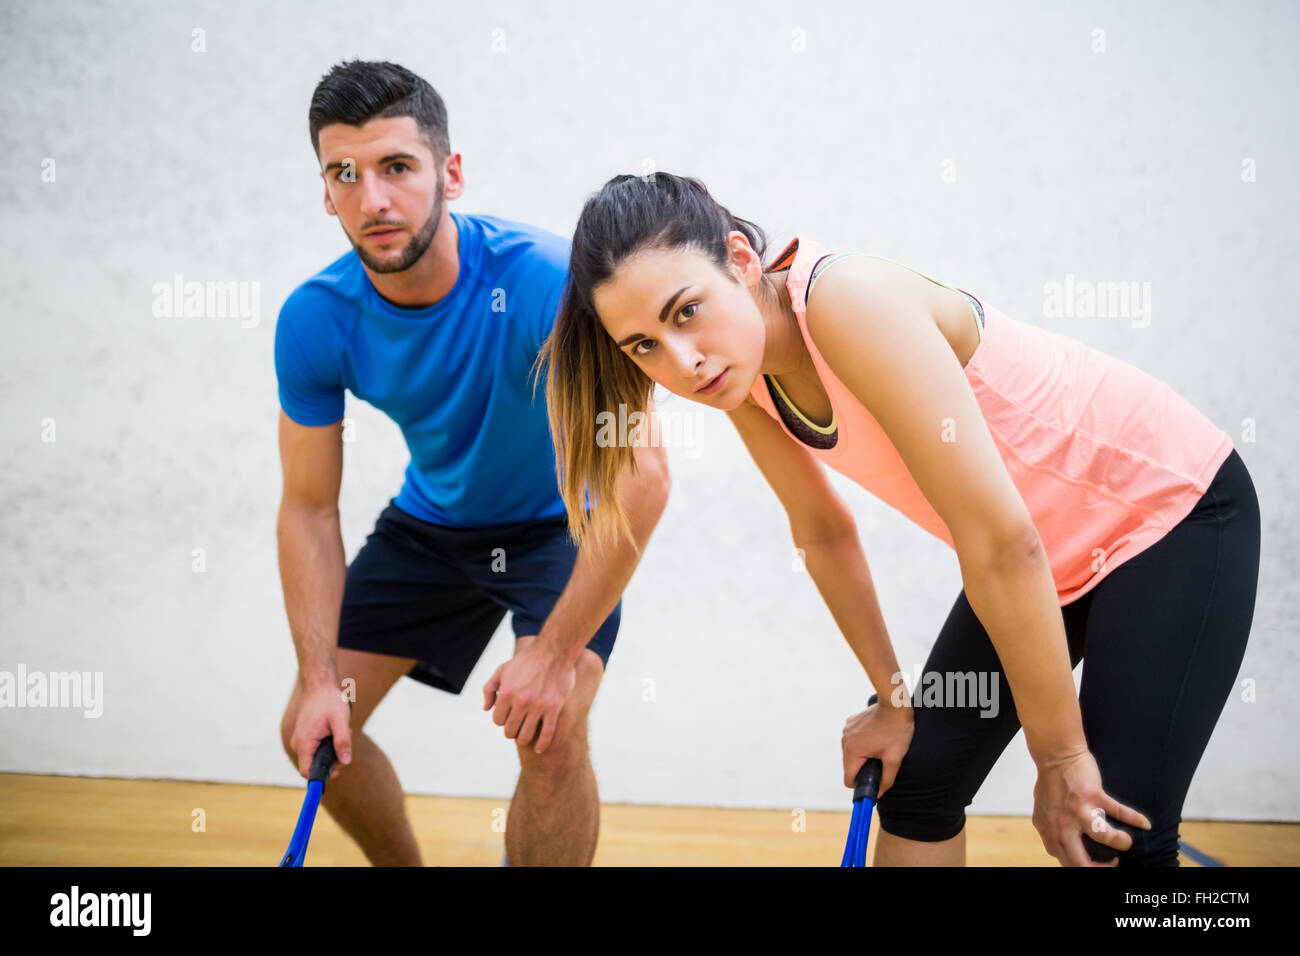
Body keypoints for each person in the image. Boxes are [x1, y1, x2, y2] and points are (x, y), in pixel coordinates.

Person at [539, 172, 1260, 867]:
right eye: (645, 348)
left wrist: (1061, 759)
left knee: (1110, 830)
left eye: (685, 311)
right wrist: (891, 698)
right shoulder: (744, 379)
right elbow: (822, 531)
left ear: (738, 257)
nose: (684, 362)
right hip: (1037, 553)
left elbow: (1003, 543)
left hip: (1170, 512)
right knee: (918, 782)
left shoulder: (846, 301)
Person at [273, 62, 670, 867]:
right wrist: (318, 678)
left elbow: (644, 479)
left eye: (396, 167)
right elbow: (308, 510)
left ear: (450, 173)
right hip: (431, 530)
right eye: (344, 175)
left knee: (549, 731)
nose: (372, 199)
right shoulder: (315, 319)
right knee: (312, 732)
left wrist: (553, 655)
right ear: (325, 192)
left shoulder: (549, 284)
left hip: (562, 528)